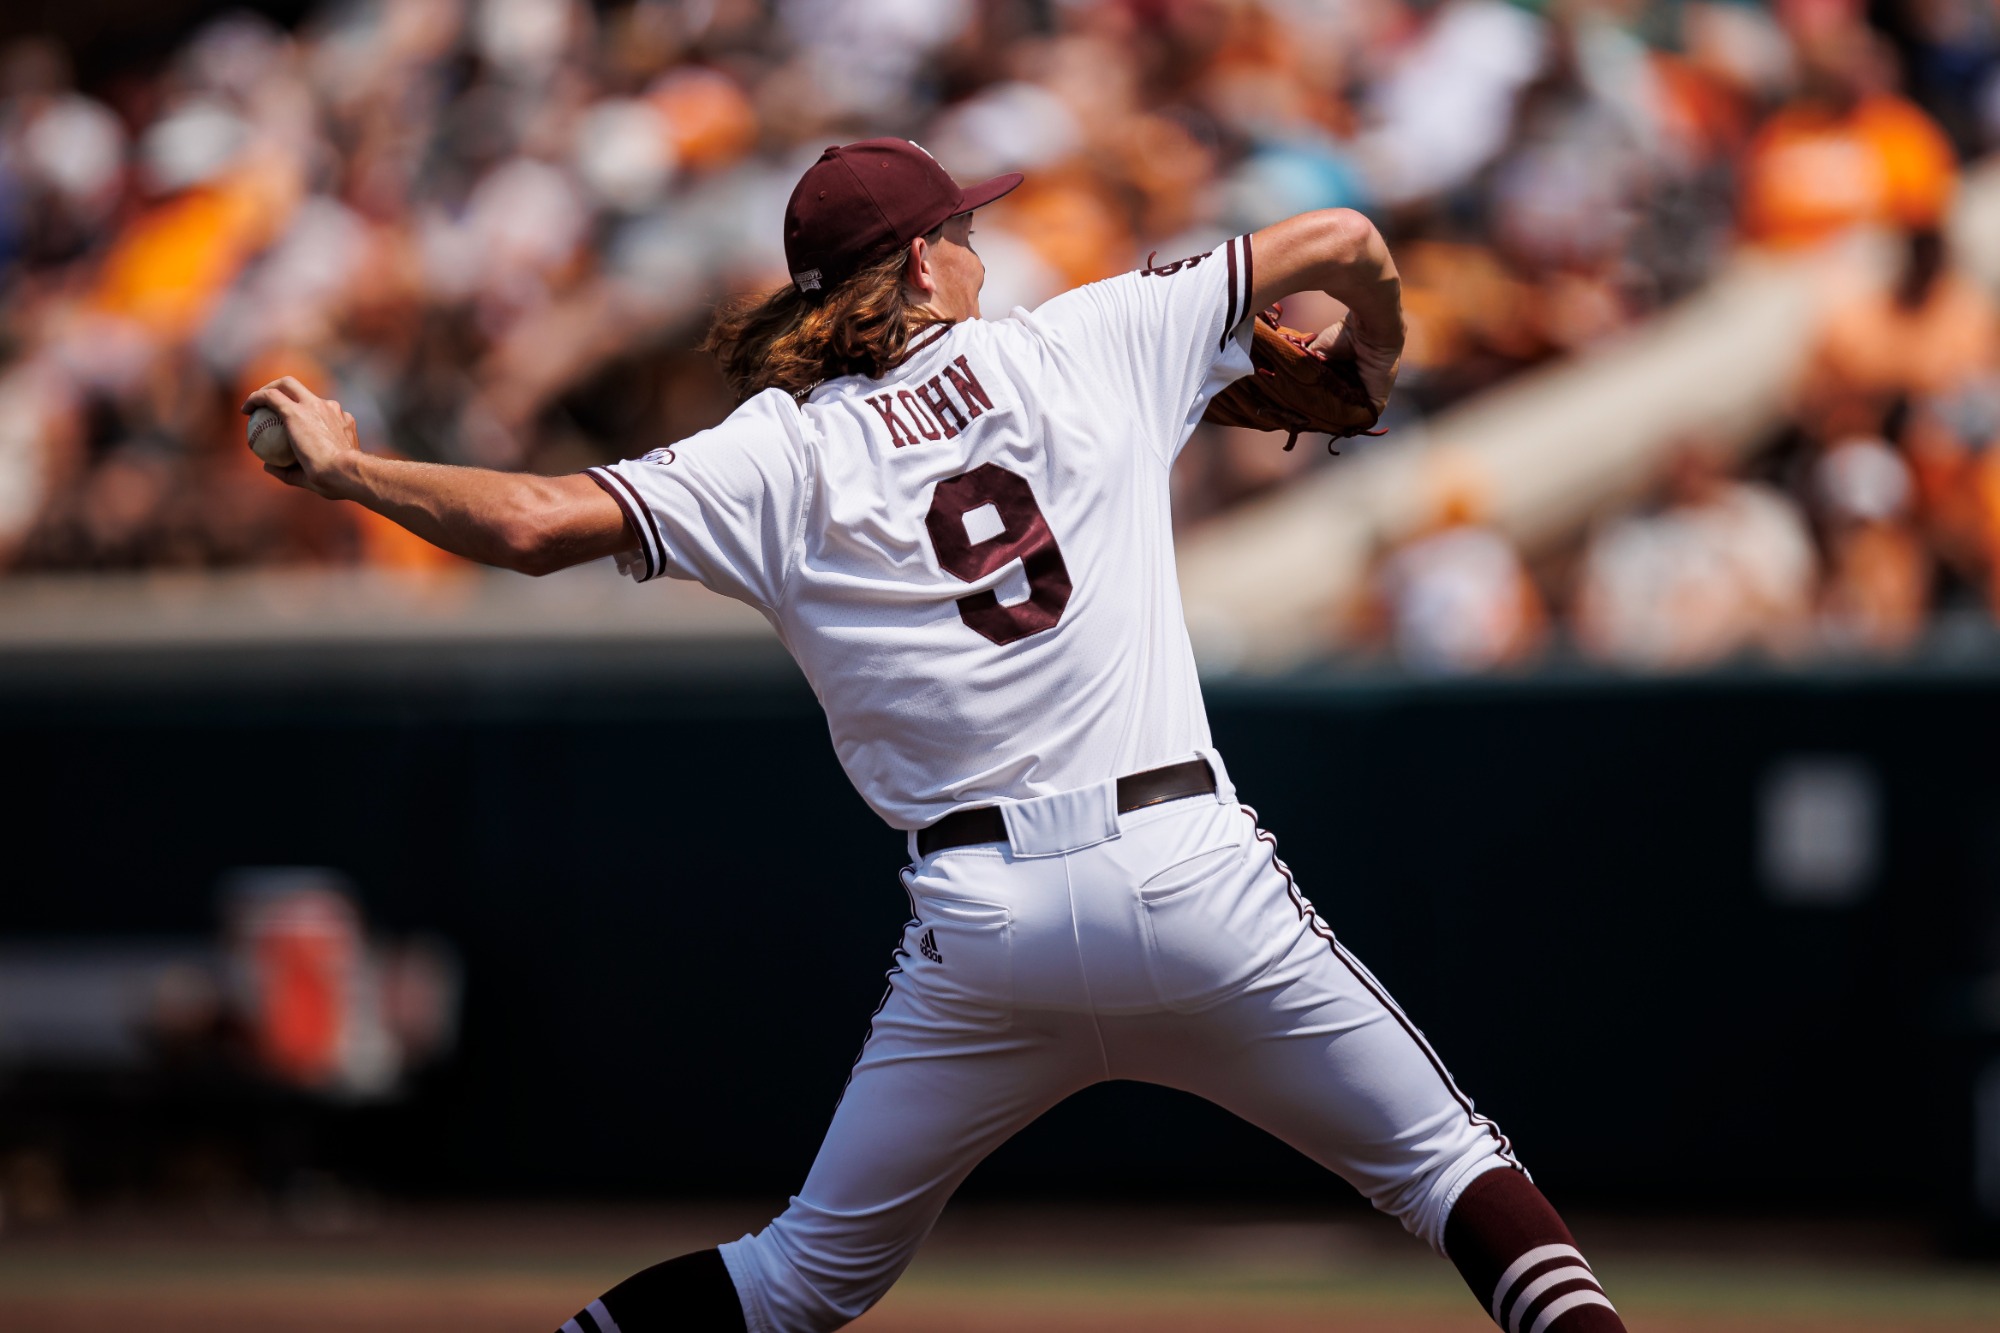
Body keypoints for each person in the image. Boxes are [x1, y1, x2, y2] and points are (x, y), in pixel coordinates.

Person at [245, 138, 1623, 1333]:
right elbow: (1349, 241)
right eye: (961, 231)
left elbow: (536, 522)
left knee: (797, 1278)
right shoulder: (1086, 340)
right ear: (916, 265)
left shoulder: (772, 453)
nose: (980, 249)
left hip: (983, 928)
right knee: (1453, 1171)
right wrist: (1371, 356)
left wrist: (352, 470)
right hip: (1187, 872)